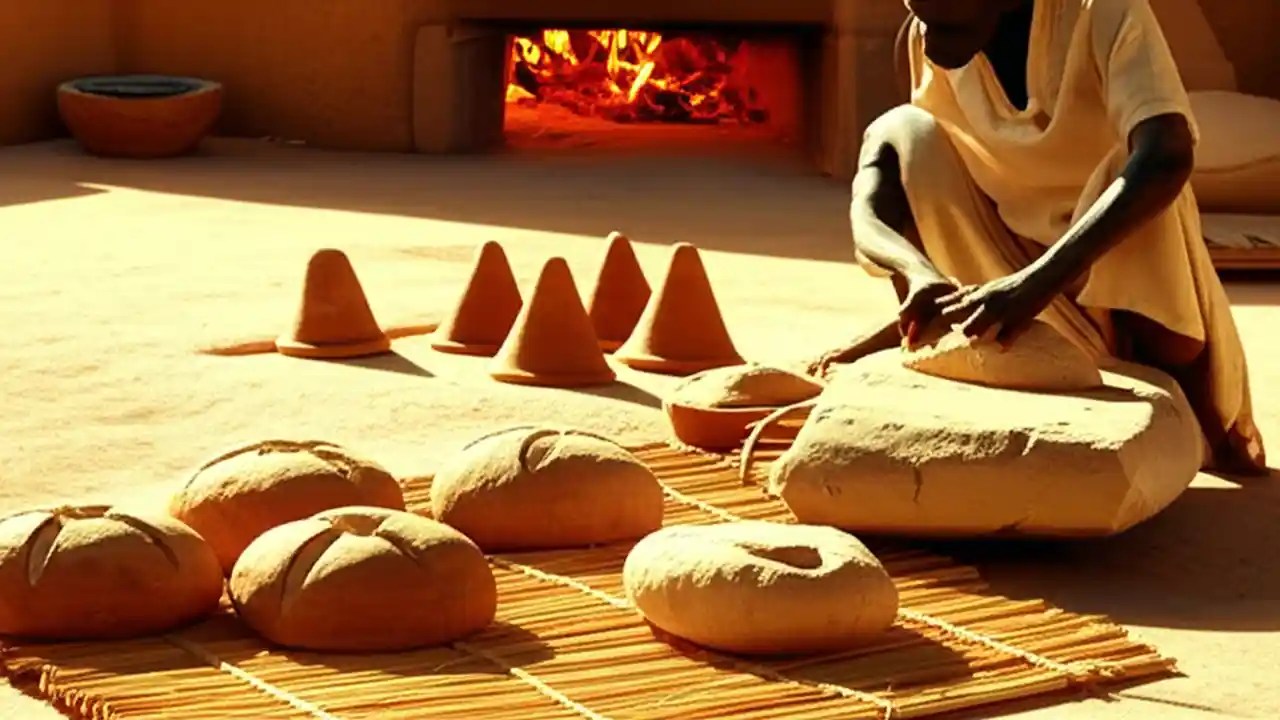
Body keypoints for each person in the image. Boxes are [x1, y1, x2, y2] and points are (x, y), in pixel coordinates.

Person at [809, 0, 1267, 475]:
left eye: (943, 16)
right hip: (1004, 279)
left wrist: (1032, 286)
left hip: (1101, 280)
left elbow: (1169, 155)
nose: (927, 32)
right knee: (905, 129)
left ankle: (1195, 419)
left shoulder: (1103, 12)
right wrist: (918, 273)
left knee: (1137, 172)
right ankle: (932, 328)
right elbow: (870, 201)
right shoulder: (928, 30)